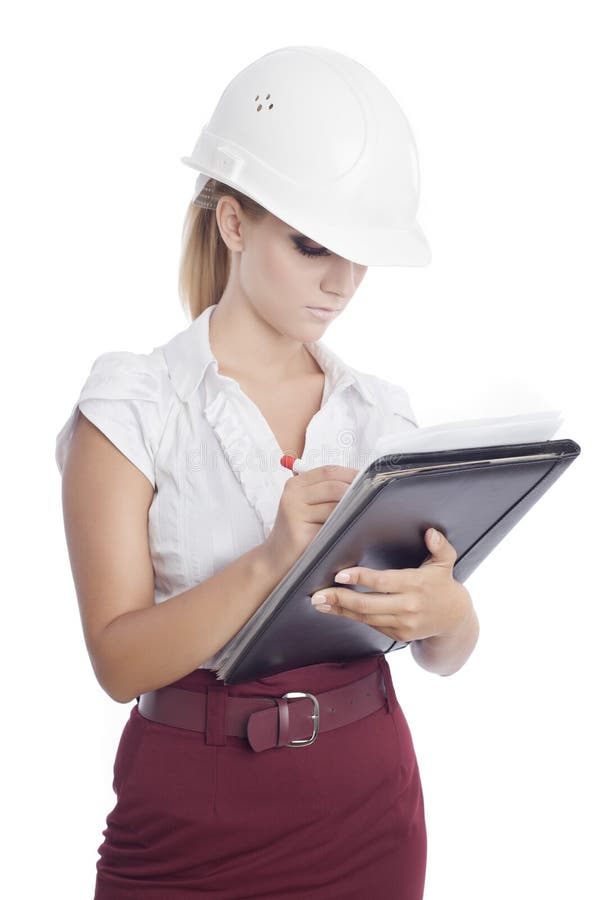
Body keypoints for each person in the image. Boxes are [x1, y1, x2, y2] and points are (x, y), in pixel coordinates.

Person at [55, 46, 479, 900]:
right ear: (235, 222)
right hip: (190, 823)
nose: (342, 282)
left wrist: (451, 614)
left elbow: (443, 653)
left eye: (360, 255)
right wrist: (268, 560)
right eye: (314, 244)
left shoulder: (379, 417)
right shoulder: (137, 406)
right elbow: (115, 661)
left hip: (370, 807)